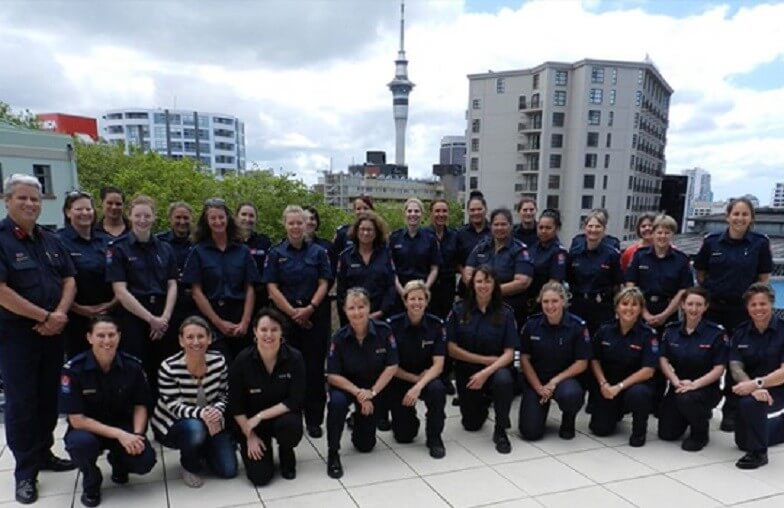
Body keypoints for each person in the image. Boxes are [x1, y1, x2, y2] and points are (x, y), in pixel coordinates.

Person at [0, 174, 77, 504]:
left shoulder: (50, 239)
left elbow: (69, 278)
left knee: (49, 398)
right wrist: (45, 317)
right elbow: (1, 292)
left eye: (35, 198)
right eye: (22, 198)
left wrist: (58, 314)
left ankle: (44, 454)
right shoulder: (1, 240)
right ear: (7, 201)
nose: (30, 203)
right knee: (21, 405)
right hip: (17, 337)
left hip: (52, 334)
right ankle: (25, 472)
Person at [60, 316, 156, 507]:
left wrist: (137, 436)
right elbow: (77, 420)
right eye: (100, 335)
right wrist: (120, 435)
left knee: (144, 461)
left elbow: (140, 405)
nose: (107, 341)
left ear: (119, 336)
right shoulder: (73, 370)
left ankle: (119, 462)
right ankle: (91, 480)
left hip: (122, 424)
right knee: (80, 445)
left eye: (111, 335)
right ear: (89, 337)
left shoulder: (132, 366)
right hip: (88, 429)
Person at [694, 197, 773, 432]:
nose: (740, 218)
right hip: (714, 309)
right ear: (727, 216)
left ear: (751, 218)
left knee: (735, 360)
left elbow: (763, 278)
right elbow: (701, 273)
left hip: (741, 312)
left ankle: (731, 410)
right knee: (706, 357)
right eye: (736, 214)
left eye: (745, 214)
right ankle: (703, 404)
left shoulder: (759, 243)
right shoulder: (712, 242)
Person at [264, 205, 333, 439]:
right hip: (286, 319)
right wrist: (293, 313)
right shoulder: (275, 253)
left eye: (300, 223)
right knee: (288, 369)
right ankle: (290, 417)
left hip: (314, 317)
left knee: (314, 370)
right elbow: (271, 287)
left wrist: (310, 308)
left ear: (306, 225)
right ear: (285, 224)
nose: (296, 227)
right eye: (291, 223)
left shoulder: (319, 252)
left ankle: (314, 420)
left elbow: (325, 282)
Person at [106, 195, 178, 397]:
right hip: (134, 317)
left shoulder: (165, 248)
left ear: (154, 217)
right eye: (138, 215)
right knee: (136, 370)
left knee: (164, 370)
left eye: (147, 215)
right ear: (129, 216)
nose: (142, 219)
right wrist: (150, 319)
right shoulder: (118, 248)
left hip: (163, 316)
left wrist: (164, 318)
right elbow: (120, 291)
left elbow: (172, 284)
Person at [152, 316, 237, 488]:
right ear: (181, 341)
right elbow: (173, 406)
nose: (196, 342)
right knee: (195, 429)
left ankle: (204, 448)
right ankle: (188, 465)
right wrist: (204, 414)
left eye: (201, 336)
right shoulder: (168, 367)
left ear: (210, 338)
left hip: (211, 419)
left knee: (228, 470)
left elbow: (224, 394)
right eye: (190, 337)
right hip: (175, 424)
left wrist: (217, 411)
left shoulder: (219, 361)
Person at [325, 288, 398, 478]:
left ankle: (357, 420)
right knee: (337, 403)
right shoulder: (338, 338)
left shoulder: (384, 331)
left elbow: (392, 367)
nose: (357, 312)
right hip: (347, 387)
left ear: (369, 307)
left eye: (361, 307)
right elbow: (332, 375)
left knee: (365, 446)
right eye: (351, 308)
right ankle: (333, 453)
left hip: (374, 388)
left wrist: (371, 393)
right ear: (345, 310)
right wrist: (359, 393)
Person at [228, 308, 306, 485]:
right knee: (260, 478)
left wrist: (260, 416)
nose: (268, 334)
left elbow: (295, 400)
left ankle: (286, 452)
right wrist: (249, 435)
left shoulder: (295, 358)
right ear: (255, 331)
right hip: (251, 426)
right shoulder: (242, 361)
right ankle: (265, 449)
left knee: (291, 426)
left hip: (281, 418)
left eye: (274, 329)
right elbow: (235, 404)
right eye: (263, 330)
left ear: (281, 332)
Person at [447, 266, 517, 454]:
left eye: (488, 281)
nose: (483, 285)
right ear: (472, 284)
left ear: (495, 285)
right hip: (468, 371)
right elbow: (451, 349)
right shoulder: (459, 310)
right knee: (471, 425)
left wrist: (486, 371)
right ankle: (483, 403)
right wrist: (483, 361)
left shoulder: (506, 313)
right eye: (479, 281)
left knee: (504, 380)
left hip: (496, 370)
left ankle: (501, 429)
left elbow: (509, 353)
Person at [183, 198, 260, 363]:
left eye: (221, 217)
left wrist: (245, 322)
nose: (218, 221)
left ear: (228, 218)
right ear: (206, 221)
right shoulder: (197, 252)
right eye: (213, 218)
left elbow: (250, 288)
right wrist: (218, 323)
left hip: (240, 315)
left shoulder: (243, 251)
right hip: (211, 316)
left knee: (244, 367)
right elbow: (196, 292)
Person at [658, 287, 727, 451]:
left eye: (699, 304)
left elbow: (719, 369)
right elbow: (663, 359)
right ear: (682, 305)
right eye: (690, 304)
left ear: (706, 307)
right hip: (678, 386)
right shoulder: (671, 330)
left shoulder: (716, 333)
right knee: (667, 434)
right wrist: (675, 382)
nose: (694, 309)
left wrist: (694, 385)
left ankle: (700, 433)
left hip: (705, 389)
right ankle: (689, 415)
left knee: (688, 399)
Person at [519, 282, 590, 441]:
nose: (550, 306)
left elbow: (582, 362)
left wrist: (554, 382)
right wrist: (539, 388)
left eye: (555, 301)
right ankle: (540, 409)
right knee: (530, 432)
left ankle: (568, 419)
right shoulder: (531, 325)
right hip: (537, 380)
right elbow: (524, 359)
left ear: (563, 301)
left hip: (564, 380)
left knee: (570, 395)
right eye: (545, 302)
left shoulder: (577, 326)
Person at [589, 287, 658, 447]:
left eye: (634, 305)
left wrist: (619, 387)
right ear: (617, 307)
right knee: (600, 429)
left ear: (641, 309)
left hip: (635, 385)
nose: (629, 308)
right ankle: (617, 411)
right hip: (610, 385)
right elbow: (594, 359)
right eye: (625, 304)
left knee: (639, 394)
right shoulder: (604, 330)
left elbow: (648, 370)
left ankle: (639, 430)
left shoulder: (648, 335)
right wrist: (603, 384)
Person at [386, 281, 447, 458]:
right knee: (405, 436)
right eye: (412, 298)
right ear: (405, 301)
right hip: (401, 378)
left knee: (437, 390)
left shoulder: (436, 325)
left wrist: (419, 385)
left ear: (427, 301)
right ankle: (407, 421)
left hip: (427, 378)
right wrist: (414, 381)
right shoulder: (392, 326)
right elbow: (390, 366)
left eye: (421, 298)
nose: (416, 302)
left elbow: (439, 365)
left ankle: (434, 437)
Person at [728, 283, 784, 469]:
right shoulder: (741, 332)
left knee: (751, 404)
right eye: (753, 305)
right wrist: (751, 386)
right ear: (747, 308)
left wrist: (757, 384)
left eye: (763, 304)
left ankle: (759, 454)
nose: (758, 308)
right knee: (742, 441)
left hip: (778, 388)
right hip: (752, 390)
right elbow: (736, 367)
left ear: (772, 304)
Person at [58, 190, 115, 359]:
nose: (85, 213)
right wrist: (79, 309)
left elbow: (121, 276)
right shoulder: (57, 241)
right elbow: (57, 281)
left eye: (88, 209)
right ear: (68, 212)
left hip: (109, 314)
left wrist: (110, 305)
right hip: (75, 318)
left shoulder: (107, 241)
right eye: (78, 209)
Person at [464, 207, 533, 325]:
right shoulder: (482, 246)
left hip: (509, 309)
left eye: (503, 224)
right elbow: (468, 273)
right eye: (496, 224)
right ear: (491, 226)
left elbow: (522, 282)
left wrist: (490, 291)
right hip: (481, 307)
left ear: (511, 226)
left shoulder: (519, 250)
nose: (499, 228)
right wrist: (482, 292)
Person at [625, 214, 693, 331]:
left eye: (667, 233)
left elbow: (684, 290)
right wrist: (644, 313)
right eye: (659, 232)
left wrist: (664, 315)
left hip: (669, 312)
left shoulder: (681, 259)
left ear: (673, 235)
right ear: (653, 233)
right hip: (640, 310)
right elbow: (631, 285)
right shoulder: (640, 256)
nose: (663, 236)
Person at [567, 210, 623, 335]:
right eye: (590, 226)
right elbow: (569, 279)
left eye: (598, 226)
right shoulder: (575, 253)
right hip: (578, 306)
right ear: (584, 228)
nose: (593, 230)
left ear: (604, 229)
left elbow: (617, 285)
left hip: (602, 307)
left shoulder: (612, 254)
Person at [335, 211, 396, 324]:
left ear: (376, 232)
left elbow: (391, 287)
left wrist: (380, 313)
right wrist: (351, 315)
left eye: (370, 230)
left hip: (381, 318)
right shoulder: (345, 257)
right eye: (362, 229)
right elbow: (341, 291)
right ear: (356, 231)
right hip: (353, 319)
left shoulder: (386, 255)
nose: (366, 233)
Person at [389, 198, 440, 311]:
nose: (413, 214)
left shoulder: (430, 238)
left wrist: (425, 289)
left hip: (422, 293)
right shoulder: (394, 238)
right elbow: (390, 269)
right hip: (400, 293)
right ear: (405, 213)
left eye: (417, 211)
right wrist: (402, 292)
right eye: (410, 211)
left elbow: (434, 268)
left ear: (422, 214)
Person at [156, 202, 195, 345]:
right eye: (178, 217)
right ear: (170, 219)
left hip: (193, 303)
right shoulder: (158, 242)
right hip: (166, 304)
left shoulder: (200, 241)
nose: (182, 222)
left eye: (186, 218)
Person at [523, 208, 568, 317]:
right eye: (541, 227)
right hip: (526, 300)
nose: (543, 231)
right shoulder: (533, 248)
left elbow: (554, 282)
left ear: (556, 229)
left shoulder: (559, 252)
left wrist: (538, 300)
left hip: (544, 304)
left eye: (548, 228)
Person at [426, 199, 459, 320]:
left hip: (448, 289)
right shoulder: (423, 235)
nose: (441, 214)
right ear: (431, 213)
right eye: (437, 211)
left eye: (444, 211)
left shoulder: (455, 236)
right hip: (429, 288)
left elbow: (458, 260)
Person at [236, 202, 272, 310]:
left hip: (260, 300)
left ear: (256, 219)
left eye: (251, 216)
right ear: (236, 217)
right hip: (235, 298)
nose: (247, 219)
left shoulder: (264, 242)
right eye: (243, 214)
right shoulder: (228, 242)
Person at [456, 191, 491, 298]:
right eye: (472, 210)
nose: (476, 212)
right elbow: (456, 260)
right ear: (468, 211)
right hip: (466, 288)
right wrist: (464, 274)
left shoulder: (494, 232)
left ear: (486, 209)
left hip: (489, 287)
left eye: (479, 209)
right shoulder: (460, 233)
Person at [331, 196, 374, 262]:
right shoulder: (343, 232)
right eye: (358, 209)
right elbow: (334, 258)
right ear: (354, 211)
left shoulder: (379, 232)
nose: (362, 211)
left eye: (366, 208)